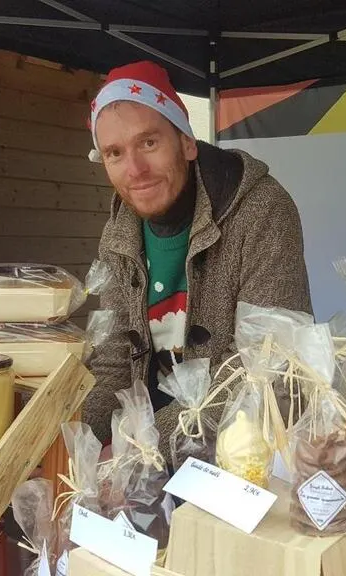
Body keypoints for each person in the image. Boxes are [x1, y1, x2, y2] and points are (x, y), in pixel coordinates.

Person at [81, 60, 313, 462]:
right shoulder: (119, 231)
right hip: (146, 456)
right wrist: (77, 443)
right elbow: (115, 362)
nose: (135, 170)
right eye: (114, 153)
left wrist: (139, 451)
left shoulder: (262, 210)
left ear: (187, 143)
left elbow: (266, 370)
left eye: (149, 143)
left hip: (244, 453)